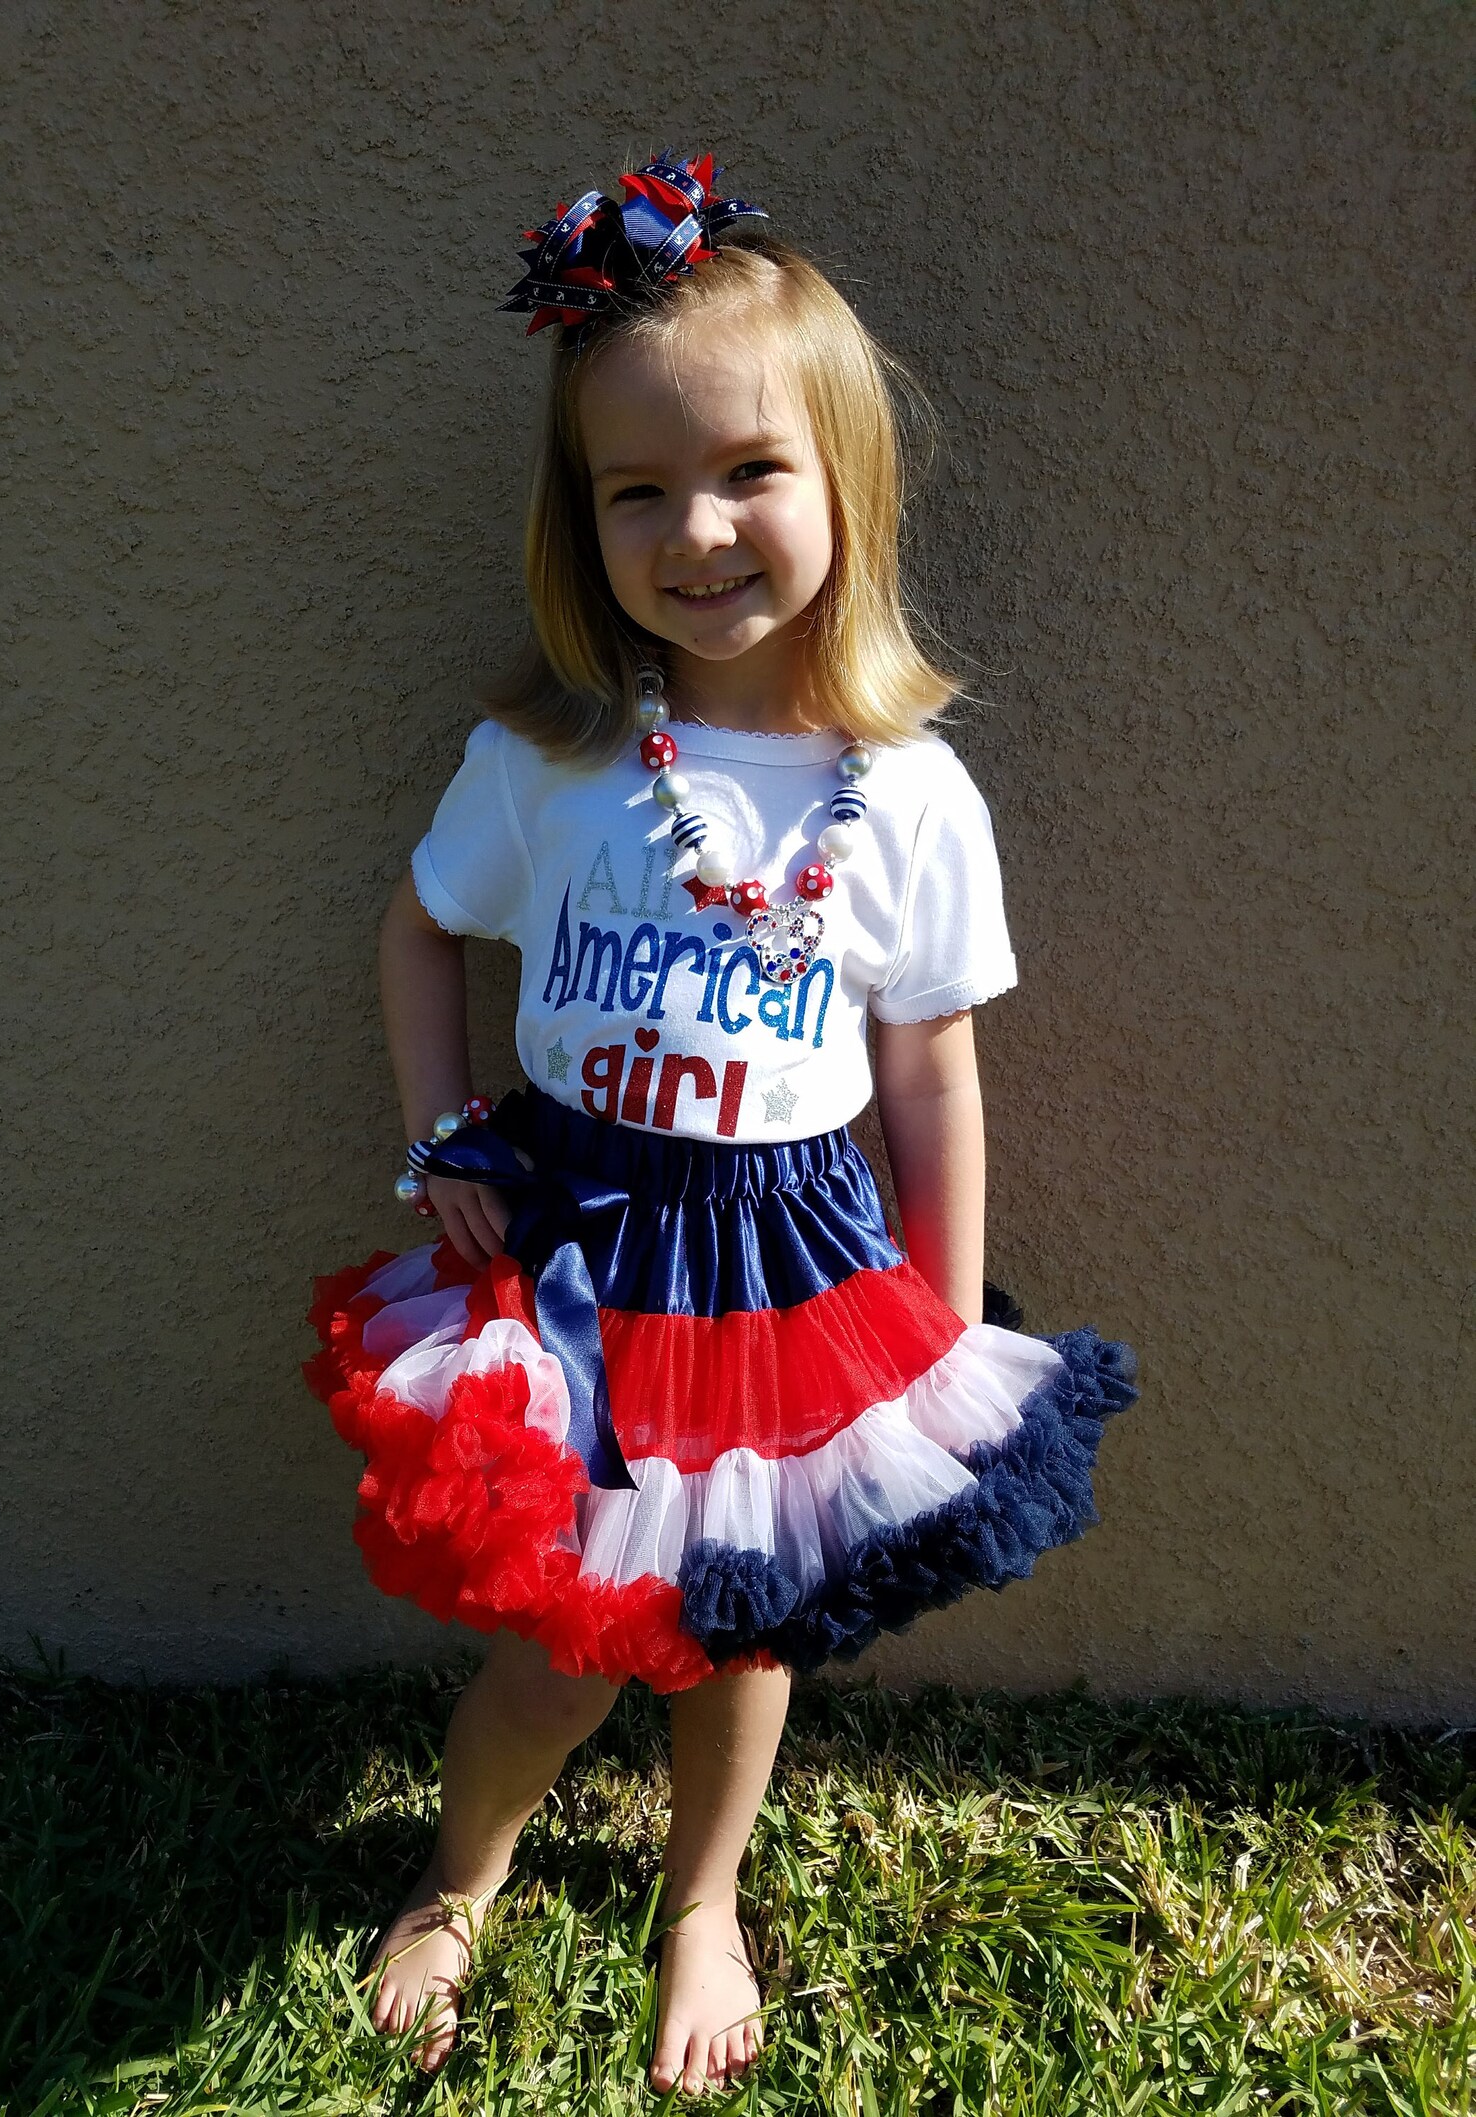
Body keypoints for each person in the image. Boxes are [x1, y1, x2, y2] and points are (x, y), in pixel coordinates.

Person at [303, 152, 1137, 2098]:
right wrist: (439, 1139)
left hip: (791, 1264)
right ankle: (462, 1866)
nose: (697, 527)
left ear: (846, 485)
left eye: (751, 470)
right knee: (562, 1642)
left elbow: (928, 1067)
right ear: (575, 518)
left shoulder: (907, 793)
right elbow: (421, 931)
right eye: (635, 488)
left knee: (749, 1627)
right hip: (584, 1251)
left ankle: (699, 1895)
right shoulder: (551, 764)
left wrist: (928, 1332)